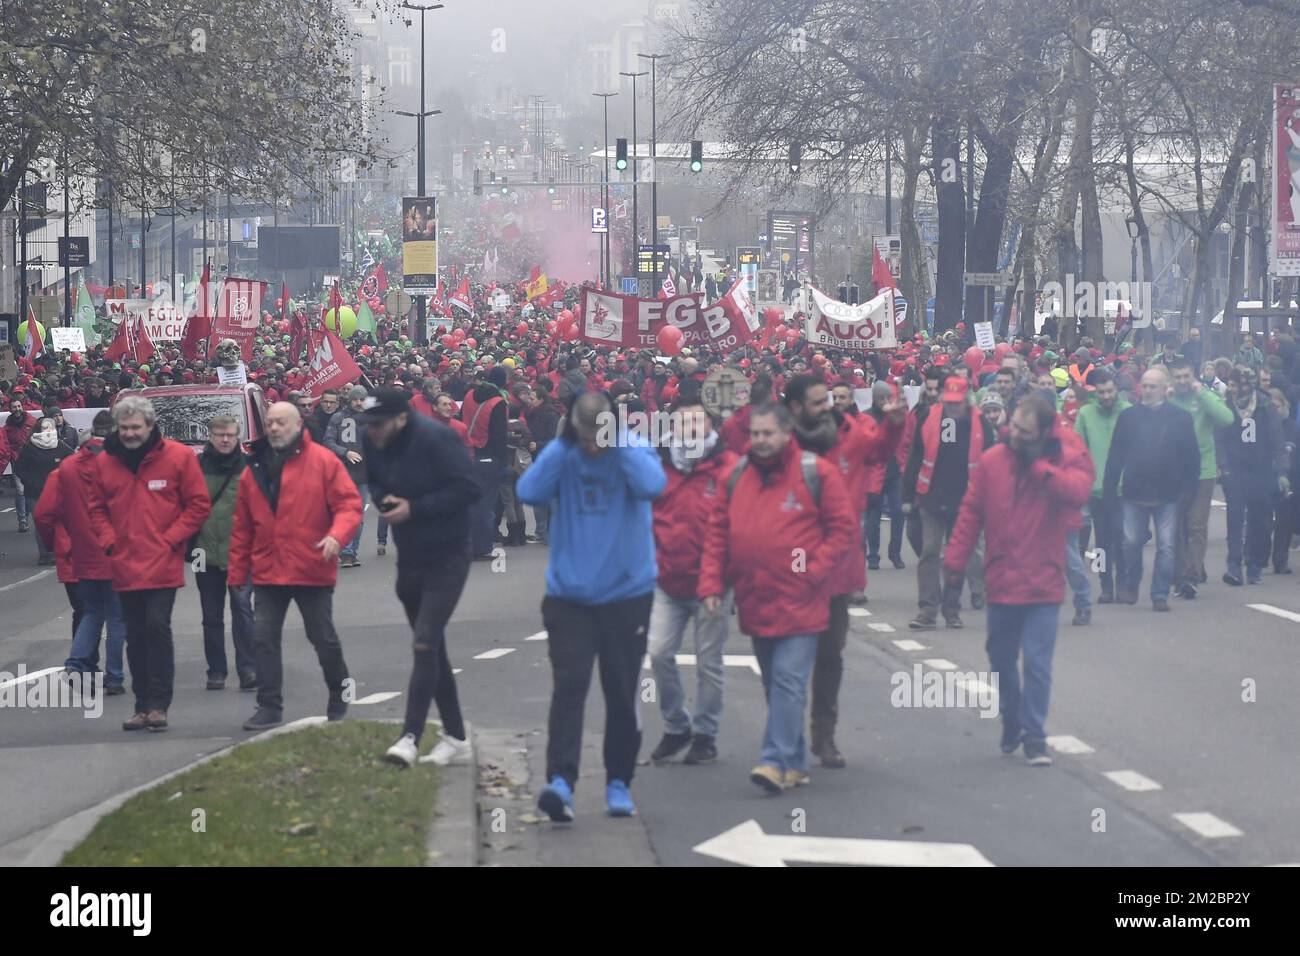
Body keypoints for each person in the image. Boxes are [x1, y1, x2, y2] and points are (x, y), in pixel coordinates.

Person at [517, 392, 666, 821]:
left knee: (620, 693)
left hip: (626, 595)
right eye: (584, 438)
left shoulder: (631, 450)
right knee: (569, 689)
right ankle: (560, 782)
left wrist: (618, 444)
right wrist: (562, 446)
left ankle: (618, 781)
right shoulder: (565, 454)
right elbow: (529, 490)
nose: (591, 447)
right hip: (569, 598)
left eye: (597, 438)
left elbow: (654, 486)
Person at [699, 403, 857, 791]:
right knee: (775, 684)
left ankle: (773, 760)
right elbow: (717, 533)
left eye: (768, 434)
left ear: (787, 434)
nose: (761, 441)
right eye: (755, 434)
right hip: (756, 599)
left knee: (787, 680)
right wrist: (710, 585)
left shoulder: (816, 473)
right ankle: (797, 760)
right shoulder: (736, 475)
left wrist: (814, 571)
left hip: (802, 601)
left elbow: (842, 530)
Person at [943, 392, 1094, 766]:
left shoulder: (1062, 457)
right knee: (1000, 658)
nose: (1016, 436)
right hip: (1002, 578)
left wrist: (1040, 469)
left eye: (1026, 432)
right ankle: (1011, 717)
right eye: (1014, 428)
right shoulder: (993, 461)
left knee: (1038, 663)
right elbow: (970, 513)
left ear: (1043, 432)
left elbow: (1078, 492)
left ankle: (1034, 736)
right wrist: (955, 564)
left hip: (1044, 579)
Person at [356, 389, 483, 768]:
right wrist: (384, 501)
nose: (372, 432)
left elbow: (469, 488)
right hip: (409, 555)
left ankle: (409, 738)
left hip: (448, 554)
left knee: (425, 644)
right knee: (432, 649)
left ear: (401, 419)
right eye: (368, 425)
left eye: (379, 425)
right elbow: (374, 479)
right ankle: (456, 737)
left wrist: (416, 508)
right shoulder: (373, 438)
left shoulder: (436, 439)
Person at [786, 373, 903, 767]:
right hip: (791, 565)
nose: (829, 407)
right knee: (786, 656)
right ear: (798, 407)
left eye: (832, 399)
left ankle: (824, 735)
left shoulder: (853, 434)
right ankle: (784, 737)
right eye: (820, 401)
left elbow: (881, 452)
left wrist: (896, 422)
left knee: (830, 654)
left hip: (836, 567)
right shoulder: (784, 441)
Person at [228, 402, 362, 731]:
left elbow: (349, 505)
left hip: (311, 566)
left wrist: (336, 536)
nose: (274, 428)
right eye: (270, 423)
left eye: (281, 423)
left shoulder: (322, 461)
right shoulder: (255, 466)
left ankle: (338, 693)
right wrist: (236, 572)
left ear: (297, 424)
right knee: (264, 639)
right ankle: (269, 706)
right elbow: (242, 525)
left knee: (322, 636)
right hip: (269, 570)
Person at [86, 395, 212, 732]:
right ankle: (142, 705)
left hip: (162, 562)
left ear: (150, 426)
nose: (129, 433)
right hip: (125, 562)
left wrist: (173, 539)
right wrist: (109, 539)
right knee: (136, 635)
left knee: (157, 627)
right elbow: (96, 507)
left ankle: (159, 704)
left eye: (135, 427)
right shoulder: (106, 462)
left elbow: (198, 505)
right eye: (123, 427)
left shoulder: (178, 457)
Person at [646, 396, 738, 766]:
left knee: (708, 662)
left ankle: (706, 735)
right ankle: (676, 726)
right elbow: (647, 517)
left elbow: (740, 526)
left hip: (712, 584)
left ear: (711, 426)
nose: (691, 430)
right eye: (684, 423)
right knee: (659, 654)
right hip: (667, 581)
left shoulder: (729, 468)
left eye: (698, 422)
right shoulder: (660, 467)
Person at [37, 412, 126, 694]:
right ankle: (114, 677)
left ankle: (77, 662)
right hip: (114, 550)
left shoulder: (66, 469)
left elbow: (43, 513)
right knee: (116, 617)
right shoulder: (121, 466)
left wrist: (55, 542)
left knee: (89, 612)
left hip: (79, 552)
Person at [1103, 367, 1200, 610]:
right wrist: (1109, 490)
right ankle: (1132, 582)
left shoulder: (1180, 418)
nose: (1147, 390)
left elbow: (1192, 457)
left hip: (1168, 494)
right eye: (1144, 385)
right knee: (1131, 542)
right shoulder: (1129, 417)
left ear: (1165, 388)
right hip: (1134, 492)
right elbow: (1115, 456)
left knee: (1166, 547)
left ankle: (1159, 593)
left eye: (1152, 386)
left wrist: (1189, 490)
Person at [902, 374, 989, 630]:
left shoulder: (980, 423)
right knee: (929, 552)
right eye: (949, 401)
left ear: (967, 401)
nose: (952, 406)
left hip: (966, 502)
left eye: (957, 402)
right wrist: (907, 496)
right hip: (932, 498)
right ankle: (927, 610)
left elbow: (991, 461)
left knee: (956, 556)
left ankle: (952, 609)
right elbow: (915, 458)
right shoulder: (928, 419)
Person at [192, 415, 257, 691]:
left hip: (241, 552)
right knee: (211, 615)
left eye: (230, 434)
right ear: (210, 436)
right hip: (204, 553)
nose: (226, 439)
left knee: (242, 610)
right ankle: (216, 671)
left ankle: (248, 669)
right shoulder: (196, 467)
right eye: (220, 434)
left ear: (238, 435)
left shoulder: (250, 468)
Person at [1167, 358, 1234, 597]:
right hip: (1174, 472)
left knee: (1196, 525)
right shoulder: (1169, 398)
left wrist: (1202, 395)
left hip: (1203, 471)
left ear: (1193, 375)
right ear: (1172, 378)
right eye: (1178, 377)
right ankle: (1179, 572)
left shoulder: (1204, 395)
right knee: (1176, 527)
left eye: (1187, 376)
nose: (1183, 381)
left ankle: (1191, 577)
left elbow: (1227, 419)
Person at [1219, 366, 1287, 585]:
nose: (1239, 389)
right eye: (1236, 384)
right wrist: (1224, 466)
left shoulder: (1265, 405)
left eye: (1243, 384)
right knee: (1235, 518)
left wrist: (1282, 471)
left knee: (1261, 518)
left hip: (1262, 469)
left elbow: (1277, 439)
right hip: (1236, 470)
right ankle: (1234, 565)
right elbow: (1219, 438)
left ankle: (1255, 563)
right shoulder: (1227, 404)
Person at [1074, 369, 1130, 604]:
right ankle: (1106, 586)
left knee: (1123, 539)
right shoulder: (1086, 414)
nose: (1106, 396)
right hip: (1096, 489)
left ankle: (1124, 584)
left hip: (1124, 488)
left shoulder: (1128, 412)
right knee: (1103, 542)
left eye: (1109, 391)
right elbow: (1078, 449)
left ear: (1116, 389)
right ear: (1095, 392)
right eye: (1101, 392)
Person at [326, 385, 387, 565]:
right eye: (355, 399)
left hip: (363, 473)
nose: (358, 402)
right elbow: (328, 441)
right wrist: (345, 452)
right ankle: (345, 548)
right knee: (343, 511)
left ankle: (350, 551)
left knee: (358, 514)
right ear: (350, 400)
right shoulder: (338, 418)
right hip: (341, 470)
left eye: (361, 399)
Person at [461, 370, 509, 559]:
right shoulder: (499, 403)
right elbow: (500, 436)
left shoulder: (468, 395)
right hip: (488, 457)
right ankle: (481, 547)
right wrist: (503, 463)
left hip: (466, 454)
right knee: (485, 505)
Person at [14, 418, 75, 565]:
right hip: (35, 492)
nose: (47, 431)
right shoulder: (30, 447)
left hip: (58, 492)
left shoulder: (61, 446)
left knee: (59, 523)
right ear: (38, 430)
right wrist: (29, 481)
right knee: (41, 523)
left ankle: (59, 552)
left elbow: (74, 462)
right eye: (44, 428)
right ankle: (45, 554)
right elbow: (19, 467)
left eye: (50, 427)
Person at [865, 380, 907, 571]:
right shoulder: (866, 417)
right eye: (880, 397)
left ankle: (895, 553)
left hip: (894, 472)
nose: (884, 401)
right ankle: (873, 555)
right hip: (874, 474)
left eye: (887, 397)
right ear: (874, 398)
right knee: (873, 518)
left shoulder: (895, 415)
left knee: (898, 513)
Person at [4, 396, 35, 532]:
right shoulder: (7, 428)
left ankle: (32, 516)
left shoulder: (33, 422)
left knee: (32, 490)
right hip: (17, 461)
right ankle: (22, 520)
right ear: (10, 409)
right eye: (14, 407)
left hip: (33, 460)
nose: (17, 409)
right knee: (20, 491)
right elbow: (6, 445)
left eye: (18, 406)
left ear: (22, 407)